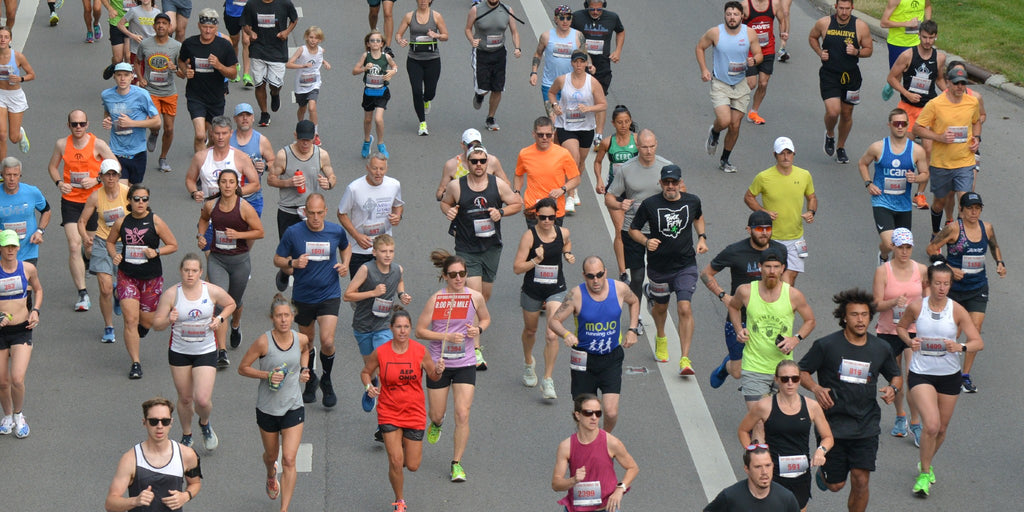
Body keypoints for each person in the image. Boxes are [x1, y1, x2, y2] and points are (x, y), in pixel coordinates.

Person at [798, 288, 902, 512]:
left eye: (864, 314)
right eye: (854, 314)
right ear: (844, 317)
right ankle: (824, 477)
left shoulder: (880, 348)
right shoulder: (826, 346)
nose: (860, 319)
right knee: (836, 485)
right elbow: (801, 371)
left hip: (865, 425)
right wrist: (816, 388)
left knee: (861, 479)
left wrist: (893, 388)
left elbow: (896, 374)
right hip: (832, 426)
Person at [896, 257, 983, 497]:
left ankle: (925, 462)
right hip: (921, 372)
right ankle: (924, 475)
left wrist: (961, 347)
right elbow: (901, 327)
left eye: (946, 284)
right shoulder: (917, 306)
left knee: (942, 429)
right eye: (938, 283)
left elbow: (978, 342)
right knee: (931, 425)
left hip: (949, 375)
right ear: (930, 284)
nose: (942, 288)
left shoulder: (957, 310)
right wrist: (909, 340)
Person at [442, 145, 521, 370]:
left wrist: (502, 212)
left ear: (488, 163)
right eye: (474, 161)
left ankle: (469, 320)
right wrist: (447, 211)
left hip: (491, 248)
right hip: (466, 248)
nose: (478, 165)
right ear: (467, 164)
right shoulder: (457, 186)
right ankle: (475, 350)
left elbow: (518, 203)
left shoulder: (498, 185)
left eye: (482, 161)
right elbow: (445, 202)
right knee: (475, 296)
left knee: (484, 296)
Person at [414, 250, 491, 482]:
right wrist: (445, 336)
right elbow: (420, 330)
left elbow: (486, 318)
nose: (458, 278)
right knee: (437, 413)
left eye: (462, 274)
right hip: (440, 363)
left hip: (465, 362)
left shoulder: (474, 297)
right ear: (445, 276)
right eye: (453, 274)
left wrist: (478, 330)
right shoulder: (437, 299)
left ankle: (456, 463)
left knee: (462, 413)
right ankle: (437, 423)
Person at [727, 251, 815, 442]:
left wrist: (796, 338)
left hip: (784, 370)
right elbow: (733, 307)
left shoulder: (793, 295)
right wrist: (738, 329)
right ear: (760, 267)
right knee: (759, 421)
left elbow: (810, 320)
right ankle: (758, 468)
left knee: (779, 423)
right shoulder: (746, 291)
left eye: (776, 267)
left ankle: (772, 464)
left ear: (783, 269)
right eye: (768, 266)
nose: (772, 271)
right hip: (754, 366)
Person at [628, 164, 707, 375]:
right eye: (666, 182)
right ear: (660, 183)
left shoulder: (692, 201)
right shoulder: (650, 204)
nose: (670, 186)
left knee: (684, 308)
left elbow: (698, 217)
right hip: (659, 267)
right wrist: (646, 242)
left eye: (674, 182)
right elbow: (633, 229)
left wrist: (701, 237)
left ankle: (685, 358)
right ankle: (661, 336)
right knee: (661, 308)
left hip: (685, 265)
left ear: (681, 182)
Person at [361, 310, 444, 512]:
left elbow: (433, 377)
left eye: (406, 327)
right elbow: (365, 372)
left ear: (410, 328)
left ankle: (403, 448)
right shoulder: (381, 352)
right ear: (391, 328)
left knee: (412, 465)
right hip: (388, 411)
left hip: (414, 412)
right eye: (398, 326)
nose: (402, 331)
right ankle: (399, 501)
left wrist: (438, 371)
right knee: (396, 461)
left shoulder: (419, 351)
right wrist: (368, 387)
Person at [273, 194, 351, 408]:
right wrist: (293, 262)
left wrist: (345, 264)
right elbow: (277, 259)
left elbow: (346, 246)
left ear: (325, 211)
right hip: (303, 296)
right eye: (311, 213)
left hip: (329, 294)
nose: (315, 218)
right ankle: (311, 377)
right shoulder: (293, 233)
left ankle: (326, 380)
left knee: (327, 341)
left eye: (319, 213)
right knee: (306, 343)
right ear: (305, 212)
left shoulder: (335, 231)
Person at [151, 254, 236, 450]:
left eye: (194, 271)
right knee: (186, 398)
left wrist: (220, 319)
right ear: (181, 271)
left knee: (202, 400)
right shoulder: (172, 294)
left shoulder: (211, 291)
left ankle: (204, 423)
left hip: (205, 350)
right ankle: (187, 434)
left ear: (201, 272)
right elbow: (156, 324)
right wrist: (168, 320)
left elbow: (231, 303)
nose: (190, 274)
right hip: (180, 351)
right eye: (186, 270)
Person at [548, 256, 642, 433]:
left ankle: (602, 440)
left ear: (605, 272)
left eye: (599, 274)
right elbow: (554, 321)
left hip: (611, 357)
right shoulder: (576, 295)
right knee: (584, 412)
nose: (596, 280)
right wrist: (566, 334)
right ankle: (586, 442)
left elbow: (634, 301)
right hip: (583, 360)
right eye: (591, 276)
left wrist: (632, 329)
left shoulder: (619, 289)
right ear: (584, 276)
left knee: (611, 412)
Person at [237, 294, 311, 512]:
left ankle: (284, 509)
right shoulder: (263, 342)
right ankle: (271, 474)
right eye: (279, 316)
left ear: (292, 316)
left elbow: (307, 349)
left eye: (287, 315)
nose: (283, 320)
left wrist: (305, 369)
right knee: (271, 456)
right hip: (267, 408)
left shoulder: (300, 339)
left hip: (293, 405)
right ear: (272, 318)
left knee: (288, 459)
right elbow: (243, 368)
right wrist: (267, 375)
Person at [926, 192, 1004, 393]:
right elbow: (932, 248)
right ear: (961, 210)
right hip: (954, 289)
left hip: (978, 288)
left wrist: (1000, 263)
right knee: (953, 330)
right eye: (969, 208)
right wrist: (949, 269)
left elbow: (994, 246)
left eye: (977, 208)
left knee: (975, 329)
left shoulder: (986, 228)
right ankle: (941, 368)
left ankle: (964, 375)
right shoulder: (953, 229)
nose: (974, 212)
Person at [701, 211, 787, 389]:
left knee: (774, 367)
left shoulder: (780, 250)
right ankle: (726, 366)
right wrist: (723, 296)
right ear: (749, 230)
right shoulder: (735, 251)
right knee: (738, 372)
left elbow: (782, 281)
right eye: (759, 229)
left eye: (768, 228)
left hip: (768, 319)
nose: (764, 233)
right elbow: (706, 274)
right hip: (740, 318)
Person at [738, 360, 833, 511]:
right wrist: (753, 451)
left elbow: (828, 437)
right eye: (785, 379)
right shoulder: (764, 406)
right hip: (772, 473)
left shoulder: (811, 406)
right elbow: (743, 430)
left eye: (795, 379)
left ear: (799, 380)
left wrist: (821, 450)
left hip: (801, 473)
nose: (790, 383)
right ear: (777, 380)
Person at [47, 109, 117, 312]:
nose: (78, 127)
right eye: (74, 124)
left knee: (90, 246)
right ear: (68, 125)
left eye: (82, 124)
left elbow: (115, 165)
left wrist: (96, 179)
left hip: (93, 202)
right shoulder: (62, 144)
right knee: (73, 244)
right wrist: (59, 182)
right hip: (70, 201)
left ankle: (88, 261)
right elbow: (52, 167)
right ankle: (83, 294)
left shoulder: (98, 144)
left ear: (87, 125)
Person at [107, 183, 179, 380]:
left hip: (151, 278)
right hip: (127, 276)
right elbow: (110, 242)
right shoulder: (121, 223)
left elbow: (173, 245)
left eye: (144, 199)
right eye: (136, 199)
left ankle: (118, 296)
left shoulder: (155, 221)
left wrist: (156, 251)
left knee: (146, 321)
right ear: (129, 201)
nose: (140, 203)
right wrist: (114, 255)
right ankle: (136, 363)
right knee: (130, 320)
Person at [512, 198, 577, 401]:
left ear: (556, 216)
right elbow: (517, 268)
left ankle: (548, 379)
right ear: (536, 216)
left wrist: (567, 253)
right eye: (543, 217)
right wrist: (535, 260)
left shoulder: (563, 232)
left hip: (556, 289)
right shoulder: (529, 237)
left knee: (551, 333)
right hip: (532, 290)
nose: (547, 221)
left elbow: (567, 243)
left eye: (551, 217)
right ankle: (529, 362)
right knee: (531, 330)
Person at [197, 169, 264, 356]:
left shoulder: (244, 208)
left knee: (235, 301)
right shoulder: (211, 205)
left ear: (237, 185)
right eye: (224, 182)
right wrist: (201, 235)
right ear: (219, 184)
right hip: (217, 259)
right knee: (220, 303)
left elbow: (259, 232)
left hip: (239, 261)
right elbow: (203, 220)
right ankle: (221, 349)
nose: (227, 185)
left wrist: (239, 235)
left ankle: (235, 325)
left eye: (231, 182)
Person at [343, 234, 411, 416]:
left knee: (385, 363)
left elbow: (400, 280)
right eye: (383, 251)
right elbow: (348, 295)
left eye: (391, 251)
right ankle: (371, 386)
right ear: (374, 252)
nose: (388, 255)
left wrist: (402, 294)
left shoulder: (397, 269)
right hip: (363, 325)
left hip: (383, 324)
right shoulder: (366, 269)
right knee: (370, 366)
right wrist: (372, 292)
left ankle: (389, 406)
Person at [871, 227, 927, 442]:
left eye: (908, 247)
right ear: (892, 247)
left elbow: (928, 299)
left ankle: (915, 422)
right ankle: (900, 416)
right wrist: (893, 302)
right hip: (888, 330)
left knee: (913, 377)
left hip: (914, 330)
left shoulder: (921, 269)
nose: (904, 252)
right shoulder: (883, 271)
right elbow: (875, 304)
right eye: (900, 247)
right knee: (896, 377)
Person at [913, 66, 981, 236]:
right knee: (939, 203)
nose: (960, 87)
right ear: (948, 83)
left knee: (964, 202)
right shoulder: (935, 104)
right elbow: (917, 128)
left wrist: (977, 138)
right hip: (941, 163)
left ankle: (957, 238)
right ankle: (935, 234)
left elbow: (977, 121)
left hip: (965, 161)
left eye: (963, 83)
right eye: (956, 83)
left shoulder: (972, 102)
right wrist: (939, 137)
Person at [696, 1, 762, 173]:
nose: (732, 18)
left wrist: (754, 61)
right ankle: (715, 132)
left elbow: (759, 54)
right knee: (724, 121)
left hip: (740, 83)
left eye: (735, 14)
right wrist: (704, 69)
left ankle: (725, 160)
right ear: (725, 16)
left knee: (735, 125)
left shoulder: (749, 33)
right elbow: (700, 47)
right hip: (720, 83)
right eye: (729, 14)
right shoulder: (715, 33)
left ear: (742, 16)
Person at [884, 20, 944, 209]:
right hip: (908, 107)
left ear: (936, 37)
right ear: (919, 35)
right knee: (906, 152)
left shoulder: (940, 57)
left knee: (926, 151)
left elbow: (940, 79)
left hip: (928, 109)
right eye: (924, 37)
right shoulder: (907, 55)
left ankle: (920, 194)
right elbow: (892, 77)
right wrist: (907, 93)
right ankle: (899, 189)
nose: (927, 41)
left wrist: (951, 94)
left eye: (931, 38)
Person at [857, 108, 928, 264]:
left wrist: (915, 178)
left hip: (904, 206)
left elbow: (925, 174)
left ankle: (892, 277)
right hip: (882, 202)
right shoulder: (878, 147)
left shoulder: (917, 150)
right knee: (891, 244)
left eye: (903, 123)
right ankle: (883, 256)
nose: (900, 127)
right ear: (889, 125)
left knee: (901, 248)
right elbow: (862, 163)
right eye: (897, 123)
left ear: (908, 125)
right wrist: (868, 183)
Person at [104, 397, 202, 511]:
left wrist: (185, 496)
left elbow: (195, 483)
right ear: (144, 422)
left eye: (165, 421)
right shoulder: (130, 459)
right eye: (154, 421)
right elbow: (110, 503)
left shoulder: (187, 455)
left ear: (171, 422)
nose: (160, 426)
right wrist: (134, 501)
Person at [605, 128, 669, 296]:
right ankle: (636, 317)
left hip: (658, 230)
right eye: (644, 147)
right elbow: (609, 197)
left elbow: (679, 194)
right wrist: (620, 204)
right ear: (637, 147)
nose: (648, 151)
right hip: (633, 229)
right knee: (638, 276)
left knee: (659, 277)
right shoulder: (626, 169)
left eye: (652, 146)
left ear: (657, 145)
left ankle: (653, 298)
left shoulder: (666, 167)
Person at [744, 136, 816, 285]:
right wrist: (763, 211)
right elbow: (749, 197)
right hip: (772, 238)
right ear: (775, 155)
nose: (785, 157)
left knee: (791, 276)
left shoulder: (804, 175)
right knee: (778, 278)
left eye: (789, 153)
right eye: (781, 153)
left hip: (797, 238)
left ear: (794, 153)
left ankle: (785, 305)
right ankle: (780, 306)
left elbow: (812, 197)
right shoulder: (764, 177)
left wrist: (811, 212)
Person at [808, 0, 873, 164]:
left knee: (846, 113)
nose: (844, 12)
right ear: (836, 7)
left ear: (852, 8)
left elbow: (869, 50)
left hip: (851, 76)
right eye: (841, 8)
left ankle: (841, 147)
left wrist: (856, 51)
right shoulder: (824, 23)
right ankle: (830, 133)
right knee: (833, 112)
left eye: (847, 9)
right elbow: (812, 37)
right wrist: (819, 52)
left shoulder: (860, 26)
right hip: (830, 75)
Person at [552, 394, 639, 512]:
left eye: (598, 413)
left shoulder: (611, 442)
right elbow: (556, 484)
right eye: (588, 413)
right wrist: (573, 480)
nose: (594, 417)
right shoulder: (566, 446)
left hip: (607, 508)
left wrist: (620, 489)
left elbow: (633, 467)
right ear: (578, 415)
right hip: (576, 508)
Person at [549, 49, 607, 211]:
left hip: (586, 127)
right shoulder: (562, 80)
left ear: (586, 63)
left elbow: (603, 104)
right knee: (573, 158)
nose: (579, 65)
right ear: (572, 63)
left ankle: (573, 187)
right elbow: (552, 93)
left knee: (580, 162)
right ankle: (570, 196)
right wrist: (555, 106)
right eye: (576, 62)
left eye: (582, 61)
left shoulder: (592, 82)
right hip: (566, 126)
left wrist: (589, 108)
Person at [79, 159, 130, 343]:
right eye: (107, 174)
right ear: (100, 176)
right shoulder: (95, 196)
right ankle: (109, 327)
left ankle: (118, 295)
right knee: (105, 288)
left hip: (124, 244)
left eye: (114, 174)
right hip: (101, 242)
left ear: (119, 176)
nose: (110, 178)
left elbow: (141, 213)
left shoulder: (127, 193)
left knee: (124, 285)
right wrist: (86, 239)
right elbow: (82, 222)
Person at [178, 9, 239, 153]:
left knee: (213, 137)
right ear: (199, 26)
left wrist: (219, 65)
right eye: (205, 27)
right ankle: (200, 167)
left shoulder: (224, 46)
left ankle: (207, 165)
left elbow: (233, 74)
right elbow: (181, 61)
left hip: (216, 97)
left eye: (211, 27)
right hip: (195, 96)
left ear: (216, 28)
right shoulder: (189, 44)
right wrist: (186, 71)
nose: (207, 30)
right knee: (200, 135)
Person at [0, 229, 41, 439]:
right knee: (2, 381)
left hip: (21, 330)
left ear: (18, 247)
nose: (10, 250)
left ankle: (18, 415)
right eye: (6, 245)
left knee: (17, 378)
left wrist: (35, 310)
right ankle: (6, 416)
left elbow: (39, 290)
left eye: (14, 246)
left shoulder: (27, 268)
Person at [267, 120, 336, 242]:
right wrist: (288, 183)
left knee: (311, 250)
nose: (305, 143)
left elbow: (332, 177)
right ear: (295, 136)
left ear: (314, 138)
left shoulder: (322, 155)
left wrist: (329, 183)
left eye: (308, 140)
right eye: (302, 139)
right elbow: (270, 180)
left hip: (311, 212)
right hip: (288, 210)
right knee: (288, 252)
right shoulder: (284, 155)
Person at [338, 153, 403, 280]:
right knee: (359, 291)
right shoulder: (354, 188)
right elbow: (341, 213)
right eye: (374, 168)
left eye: (382, 169)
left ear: (386, 169)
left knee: (382, 289)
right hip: (359, 249)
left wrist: (397, 216)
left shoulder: (394, 185)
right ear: (367, 167)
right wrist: (357, 236)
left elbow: (398, 205)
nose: (378, 173)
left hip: (383, 249)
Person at [592, 105, 637, 280]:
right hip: (615, 191)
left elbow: (647, 160)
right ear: (613, 123)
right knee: (620, 230)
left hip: (635, 191)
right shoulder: (608, 142)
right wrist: (599, 179)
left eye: (626, 122)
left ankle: (637, 260)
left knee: (635, 229)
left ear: (630, 122)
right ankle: (623, 270)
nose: (623, 125)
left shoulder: (637, 140)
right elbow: (597, 162)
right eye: (619, 122)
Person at [135, 12, 183, 174]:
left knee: (169, 128)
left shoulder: (176, 46)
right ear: (154, 26)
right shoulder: (145, 44)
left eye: (164, 23)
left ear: (170, 27)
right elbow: (137, 62)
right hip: (151, 92)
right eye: (158, 23)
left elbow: (183, 73)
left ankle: (163, 158)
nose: (161, 25)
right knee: (156, 124)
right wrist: (140, 78)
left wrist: (174, 68)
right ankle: (154, 133)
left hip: (169, 92)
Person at [466, 0, 522, 131]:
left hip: (499, 53)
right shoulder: (476, 9)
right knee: (483, 88)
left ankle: (490, 118)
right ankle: (480, 94)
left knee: (498, 88)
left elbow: (514, 32)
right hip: (481, 53)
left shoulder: (507, 10)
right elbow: (467, 29)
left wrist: (517, 47)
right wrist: (471, 40)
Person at [101, 62, 161, 185]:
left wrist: (132, 123)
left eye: (126, 75)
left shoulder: (142, 95)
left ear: (132, 76)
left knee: (133, 193)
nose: (122, 78)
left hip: (137, 151)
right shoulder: (107, 95)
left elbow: (157, 121)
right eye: (119, 75)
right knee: (122, 192)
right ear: (114, 76)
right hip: (116, 151)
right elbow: (107, 111)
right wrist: (108, 120)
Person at [241, 0, 298, 128]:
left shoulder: (285, 3)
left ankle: (275, 94)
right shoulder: (251, 4)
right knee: (259, 84)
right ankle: (264, 113)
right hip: (258, 49)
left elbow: (294, 19)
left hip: (277, 49)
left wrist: (286, 32)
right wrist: (250, 33)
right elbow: (244, 23)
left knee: (275, 84)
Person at [514, 116, 579, 226]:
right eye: (540, 135)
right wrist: (516, 192)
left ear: (553, 134)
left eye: (548, 135)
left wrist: (563, 189)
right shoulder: (524, 154)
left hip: (555, 210)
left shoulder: (563, 154)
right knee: (535, 242)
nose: (544, 138)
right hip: (533, 209)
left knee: (554, 242)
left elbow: (576, 179)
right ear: (533, 134)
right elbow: (518, 174)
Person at [395, 0, 448, 136]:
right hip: (414, 60)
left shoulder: (436, 16)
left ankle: (427, 100)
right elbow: (398, 34)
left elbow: (445, 36)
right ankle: (422, 123)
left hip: (433, 60)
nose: (423, 1)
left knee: (430, 92)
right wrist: (400, 40)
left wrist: (437, 35)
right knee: (417, 91)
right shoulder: (409, 16)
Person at [184, 116, 260, 206]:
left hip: (234, 210)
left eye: (224, 133)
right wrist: (194, 192)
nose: (220, 137)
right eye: (217, 133)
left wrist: (235, 192)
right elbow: (190, 179)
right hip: (209, 210)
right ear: (211, 133)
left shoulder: (241, 157)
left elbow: (255, 184)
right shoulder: (200, 157)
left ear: (231, 133)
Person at [703, 445, 799, 512]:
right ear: (747, 469)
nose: (764, 472)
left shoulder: (787, 499)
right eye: (758, 467)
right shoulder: (730, 496)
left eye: (768, 465)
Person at [352, 30, 398, 159]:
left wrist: (392, 72)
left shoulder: (386, 57)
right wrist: (364, 69)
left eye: (378, 41)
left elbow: (395, 66)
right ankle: (367, 141)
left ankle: (381, 144)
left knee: (378, 119)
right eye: (372, 41)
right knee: (368, 120)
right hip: (369, 91)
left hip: (382, 91)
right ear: (368, 44)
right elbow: (354, 71)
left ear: (382, 43)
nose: (375, 43)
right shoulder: (365, 56)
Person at [529, 5, 584, 110]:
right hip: (550, 85)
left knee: (568, 121)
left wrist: (590, 65)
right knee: (554, 119)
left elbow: (584, 55)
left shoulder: (578, 36)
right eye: (562, 18)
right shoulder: (546, 36)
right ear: (555, 19)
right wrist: (534, 72)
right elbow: (538, 54)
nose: (565, 21)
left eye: (568, 18)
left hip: (571, 85)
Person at [435, 128, 509, 202]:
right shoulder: (452, 165)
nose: (474, 148)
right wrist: (444, 195)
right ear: (462, 145)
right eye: (470, 145)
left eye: (478, 145)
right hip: (462, 211)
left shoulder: (491, 161)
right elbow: (440, 193)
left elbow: (507, 185)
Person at [742, 0, 785, 125]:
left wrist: (783, 33)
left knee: (763, 83)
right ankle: (733, 99)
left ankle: (753, 112)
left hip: (767, 49)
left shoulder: (774, 4)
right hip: (750, 50)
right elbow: (735, 24)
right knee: (751, 84)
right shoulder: (746, 5)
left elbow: (782, 20)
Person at [0, 157, 50, 265]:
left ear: (20, 175)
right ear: (2, 175)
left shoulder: (32, 192)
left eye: (15, 175)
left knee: (27, 282)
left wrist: (40, 231)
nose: (12, 179)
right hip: (3, 253)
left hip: (28, 252)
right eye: (8, 175)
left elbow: (46, 210)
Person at [571, 0, 624, 101]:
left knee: (599, 97)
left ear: (603, 6)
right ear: (587, 6)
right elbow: (567, 33)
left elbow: (620, 31)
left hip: (602, 63)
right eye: (592, 9)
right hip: (581, 62)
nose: (595, 12)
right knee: (580, 95)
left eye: (599, 9)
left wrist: (618, 51)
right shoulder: (577, 16)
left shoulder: (612, 17)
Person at [231, 102, 276, 217]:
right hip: (230, 197)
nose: (245, 118)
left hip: (253, 198)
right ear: (235, 119)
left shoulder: (261, 140)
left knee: (250, 233)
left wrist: (265, 166)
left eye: (248, 115)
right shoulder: (227, 139)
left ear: (253, 118)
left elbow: (274, 163)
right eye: (241, 115)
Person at [287, 26, 331, 143]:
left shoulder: (321, 50)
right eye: (311, 37)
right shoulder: (302, 50)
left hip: (314, 84)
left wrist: (325, 62)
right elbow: (288, 64)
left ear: (320, 40)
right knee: (302, 108)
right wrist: (302, 66)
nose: (313, 40)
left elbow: (319, 58)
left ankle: (315, 134)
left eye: (316, 38)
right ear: (306, 37)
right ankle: (300, 128)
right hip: (301, 85)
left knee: (312, 107)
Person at [880, 0, 931, 99]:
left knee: (918, 76)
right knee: (896, 78)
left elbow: (928, 6)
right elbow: (883, 23)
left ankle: (915, 101)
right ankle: (891, 85)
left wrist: (928, 22)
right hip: (898, 43)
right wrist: (906, 24)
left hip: (918, 42)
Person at [0, 28, 33, 162]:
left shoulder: (18, 56)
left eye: (6, 37)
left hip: (15, 96)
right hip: (0, 95)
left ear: (10, 40)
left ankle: (20, 135)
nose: (2, 39)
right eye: (0, 36)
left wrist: (20, 79)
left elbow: (32, 74)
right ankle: (2, 169)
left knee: (13, 138)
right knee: (1, 135)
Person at [117, 0, 161, 72]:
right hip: (137, 50)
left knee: (150, 78)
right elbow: (120, 25)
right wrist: (133, 36)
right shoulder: (134, 11)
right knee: (137, 78)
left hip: (152, 50)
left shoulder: (157, 12)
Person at [223, 0, 251, 84]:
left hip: (248, 12)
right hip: (232, 12)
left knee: (246, 41)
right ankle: (234, 66)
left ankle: (246, 74)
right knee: (234, 42)